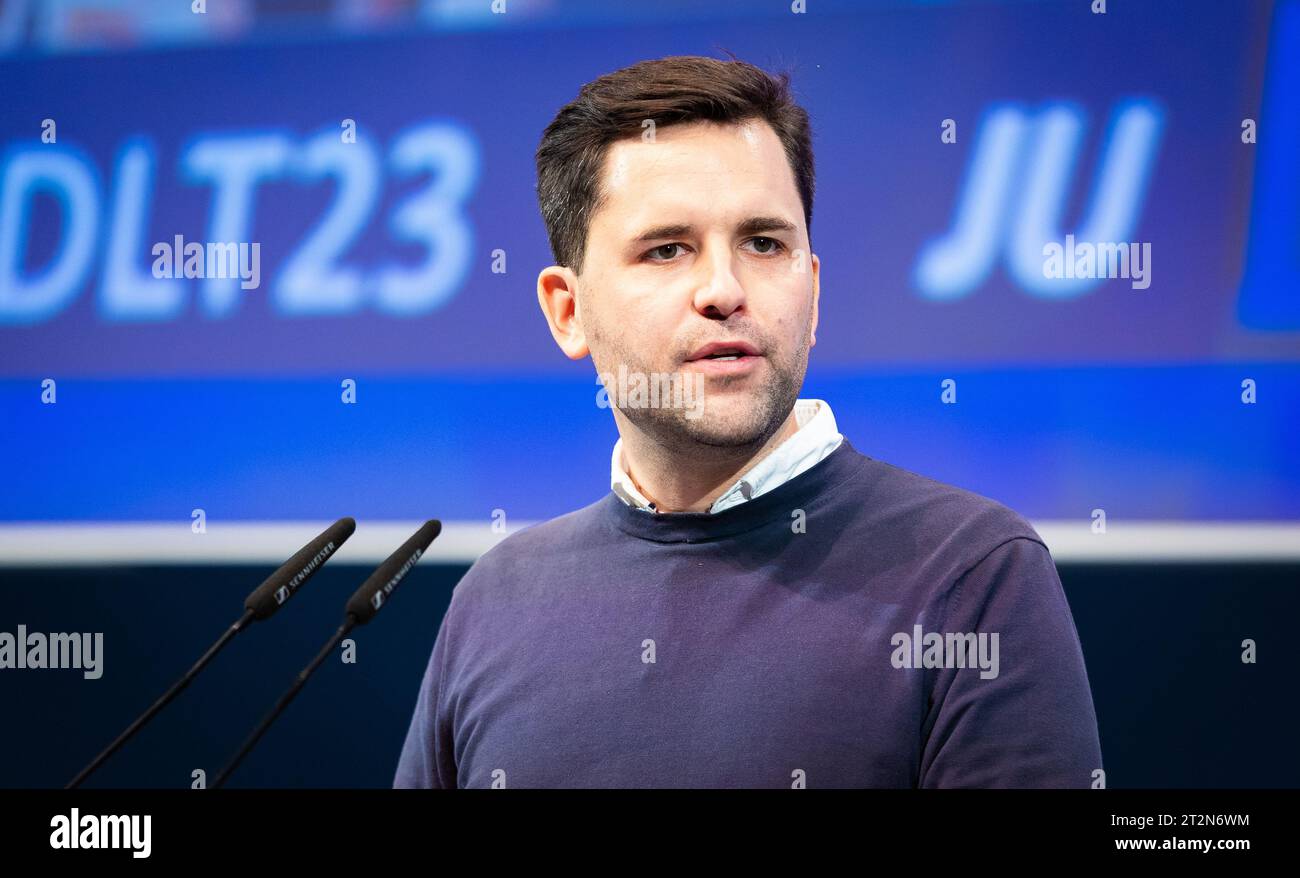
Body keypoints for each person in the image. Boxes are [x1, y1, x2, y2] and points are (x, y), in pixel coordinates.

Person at [393, 55, 1102, 788]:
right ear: (568, 312)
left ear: (814, 293)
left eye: (764, 244)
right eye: (667, 250)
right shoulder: (495, 601)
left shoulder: (973, 575)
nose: (724, 290)